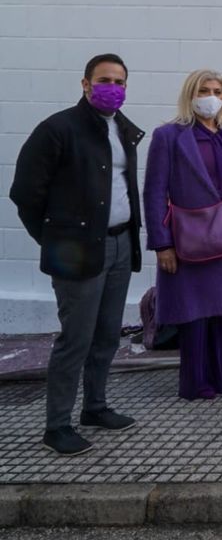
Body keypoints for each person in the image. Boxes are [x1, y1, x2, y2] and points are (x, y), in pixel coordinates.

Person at [9, 54, 143, 455]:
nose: (112, 87)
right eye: (104, 79)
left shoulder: (121, 129)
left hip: (120, 244)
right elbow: (25, 194)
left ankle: (95, 407)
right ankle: (57, 425)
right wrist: (55, 240)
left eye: (119, 81)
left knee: (107, 335)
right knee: (76, 339)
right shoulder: (58, 129)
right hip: (78, 251)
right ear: (85, 83)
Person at [143, 70, 222, 401]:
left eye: (218, 91)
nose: (211, 97)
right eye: (204, 90)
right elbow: (154, 192)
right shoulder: (169, 136)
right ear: (190, 95)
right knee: (195, 312)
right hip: (189, 238)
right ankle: (195, 383)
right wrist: (162, 243)